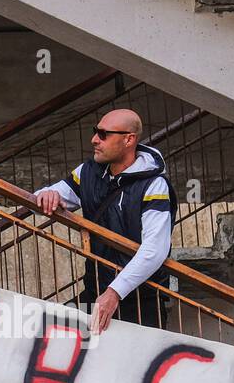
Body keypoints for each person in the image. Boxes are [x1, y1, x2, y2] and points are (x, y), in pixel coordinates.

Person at [34, 109, 175, 333]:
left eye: (103, 134)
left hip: (140, 302)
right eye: (95, 132)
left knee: (131, 368)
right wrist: (47, 193)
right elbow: (55, 194)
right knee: (47, 336)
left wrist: (114, 292)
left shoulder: (154, 185)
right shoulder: (89, 171)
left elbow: (155, 250)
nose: (94, 139)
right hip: (95, 291)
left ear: (129, 139)